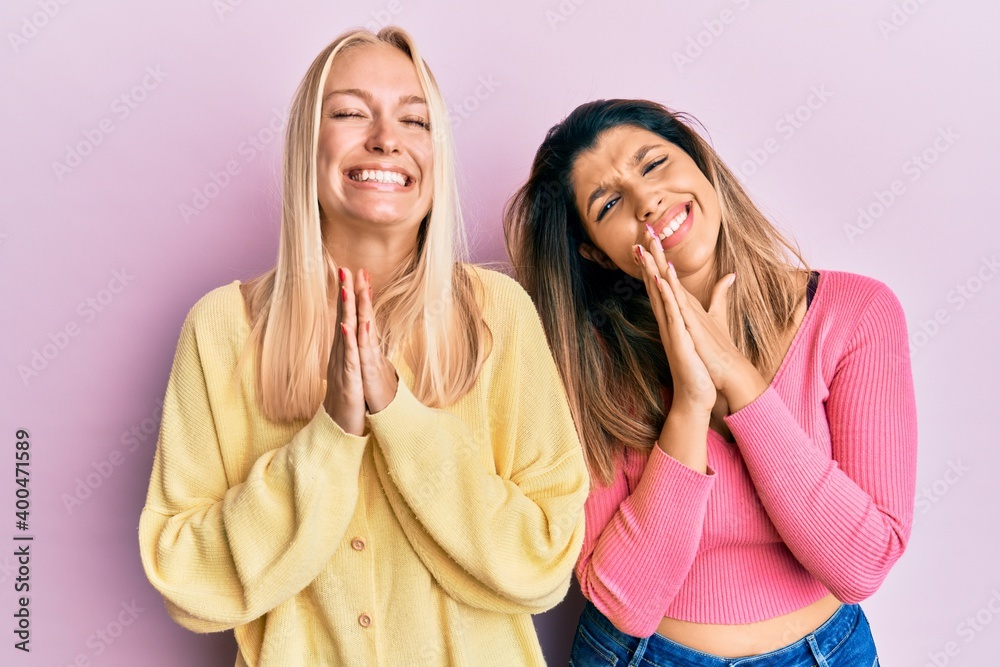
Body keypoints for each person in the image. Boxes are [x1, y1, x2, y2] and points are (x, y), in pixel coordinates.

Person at [138, 27, 588, 667]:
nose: (386, 138)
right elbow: (187, 580)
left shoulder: (499, 313)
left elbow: (544, 562)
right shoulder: (221, 327)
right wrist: (330, 437)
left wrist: (397, 415)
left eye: (415, 119)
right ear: (307, 145)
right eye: (350, 112)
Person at [503, 99, 917, 666]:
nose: (647, 200)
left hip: (831, 653)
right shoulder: (580, 363)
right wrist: (690, 405)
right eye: (609, 203)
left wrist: (740, 381)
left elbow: (862, 563)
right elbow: (624, 600)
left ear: (700, 163)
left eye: (653, 165)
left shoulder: (855, 314)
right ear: (593, 252)